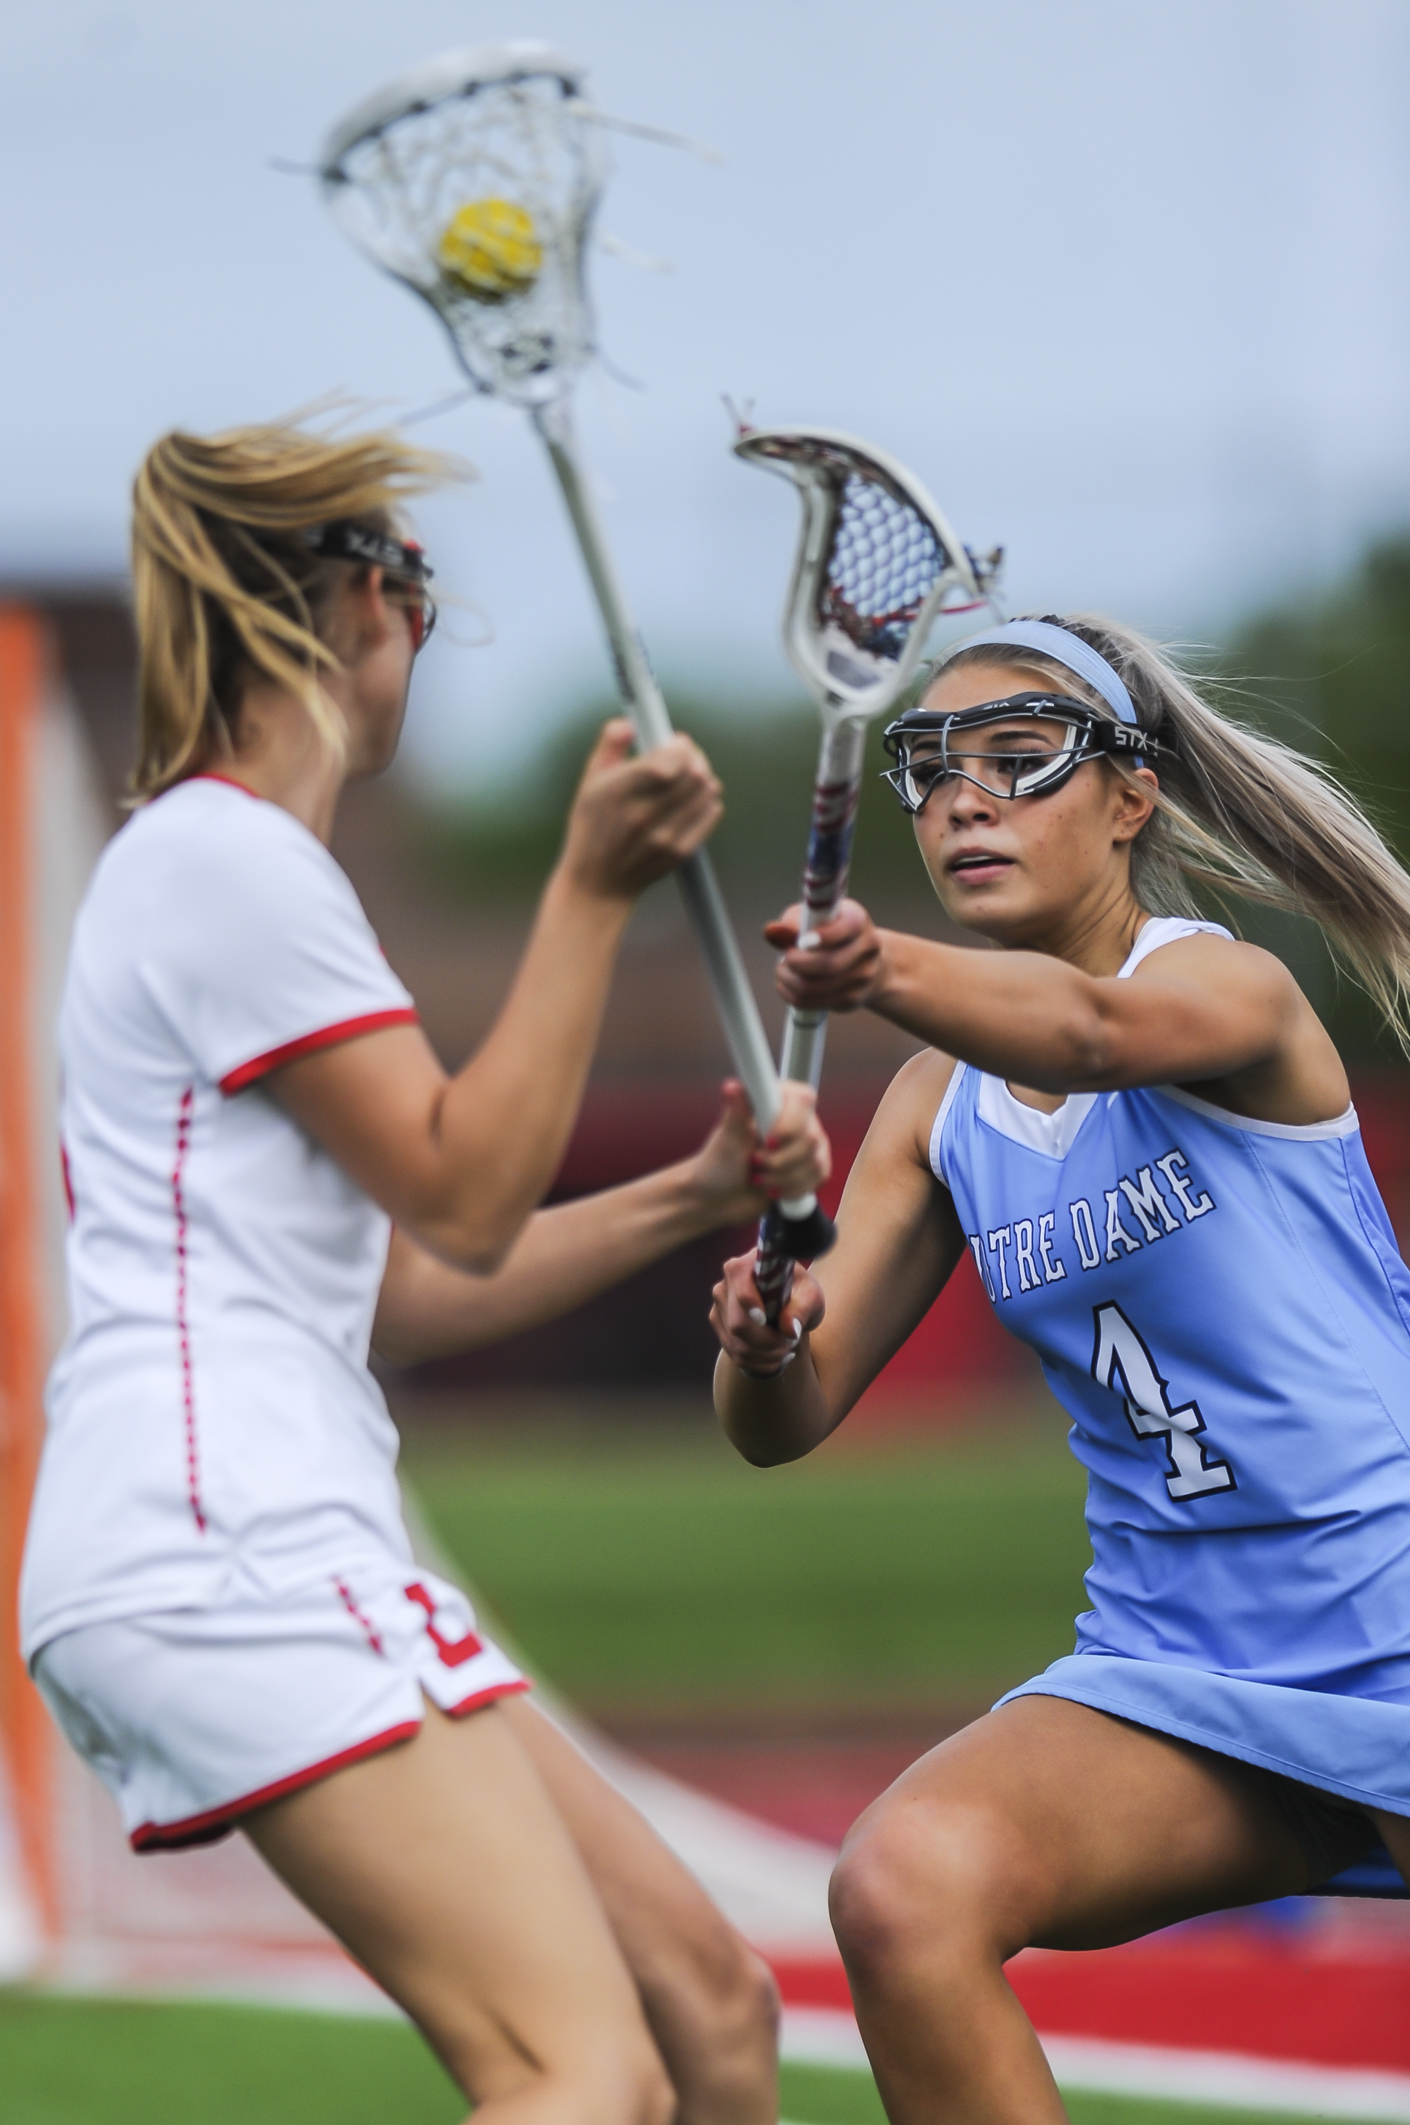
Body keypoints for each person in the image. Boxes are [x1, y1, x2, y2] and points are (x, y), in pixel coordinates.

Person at [21, 417, 830, 2125]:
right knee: (577, 2072)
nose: (429, 630)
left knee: (706, 2009)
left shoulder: (231, 868)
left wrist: (690, 1193)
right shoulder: (228, 862)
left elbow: (389, 1288)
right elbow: (465, 1190)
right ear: (361, 602)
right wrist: (589, 889)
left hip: (275, 1526)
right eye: (427, 592)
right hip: (221, 1535)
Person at [710, 613, 1410, 2125]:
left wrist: (876, 961)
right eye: (934, 773)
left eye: (1016, 764)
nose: (965, 801)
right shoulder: (932, 1102)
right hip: (1176, 1667)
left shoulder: (1225, 990)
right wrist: (760, 1340)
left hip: (1392, 1599)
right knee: (904, 1887)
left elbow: (1094, 1030)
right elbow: (784, 1420)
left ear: (1129, 796)